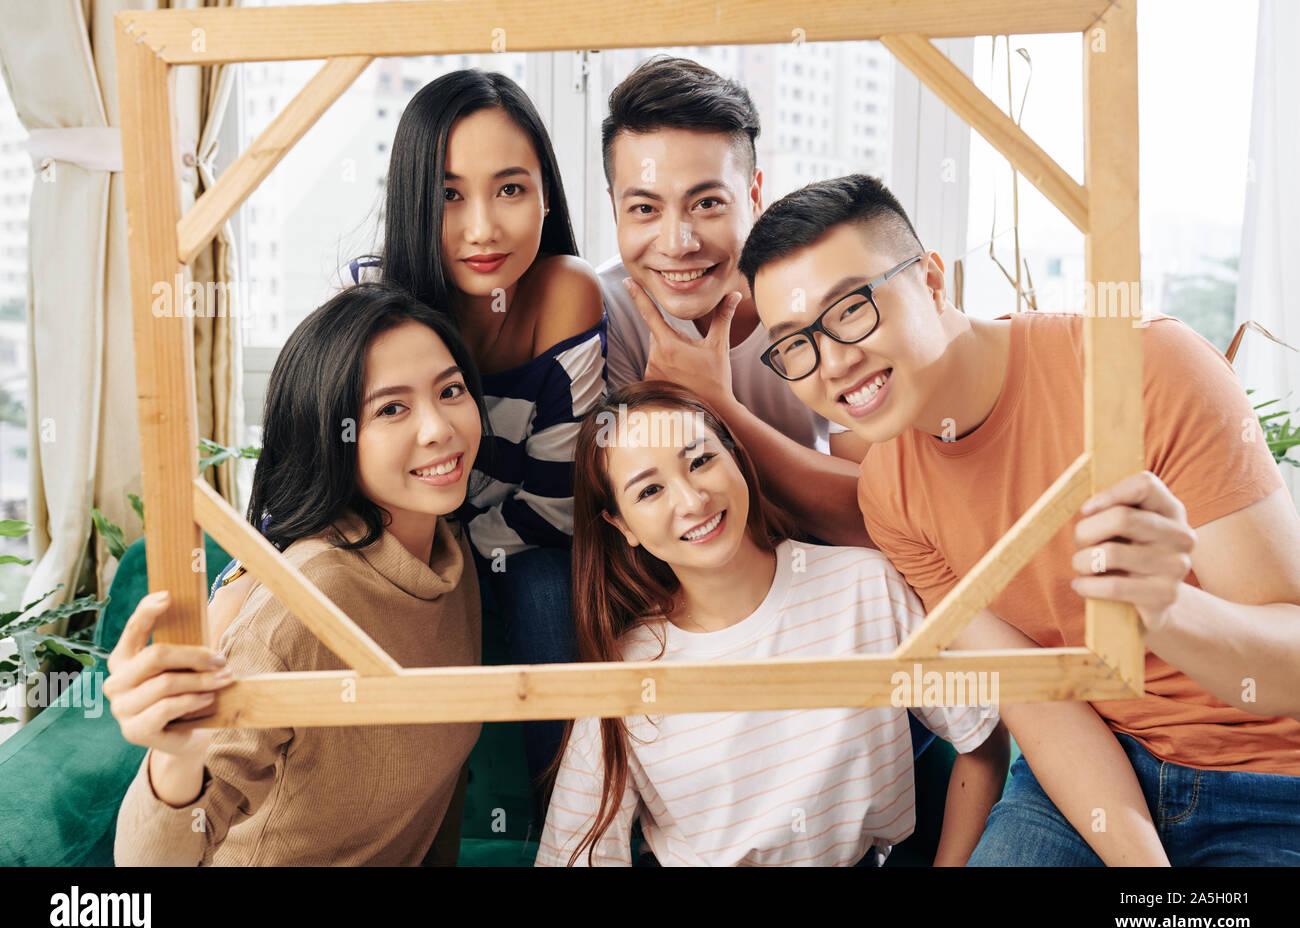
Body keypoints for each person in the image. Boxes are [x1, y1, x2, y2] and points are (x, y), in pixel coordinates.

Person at [740, 172, 1300, 865]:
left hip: (1269, 781)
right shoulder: (891, 493)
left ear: (934, 281)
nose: (833, 362)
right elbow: (1039, 701)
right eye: (795, 343)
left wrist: (1167, 609)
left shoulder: (1144, 367)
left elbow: (1292, 669)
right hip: (1086, 777)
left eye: (851, 308)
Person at [536, 382, 1168, 867]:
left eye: (700, 461)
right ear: (620, 527)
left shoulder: (864, 585)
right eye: (648, 491)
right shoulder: (625, 667)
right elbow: (576, 851)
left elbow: (982, 742)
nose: (692, 500)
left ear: (734, 456)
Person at [211, 70, 606, 809]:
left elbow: (557, 509)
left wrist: (451, 534)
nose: (481, 227)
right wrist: (247, 578)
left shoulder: (566, 294)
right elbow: (312, 473)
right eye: (449, 195)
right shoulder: (375, 309)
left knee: (551, 580)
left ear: (547, 195)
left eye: (510, 189)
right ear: (412, 202)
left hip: (518, 549)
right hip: (401, 544)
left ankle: (573, 826)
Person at [109, 284, 488, 865]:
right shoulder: (309, 597)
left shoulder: (451, 554)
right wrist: (175, 758)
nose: (439, 428)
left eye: (451, 390)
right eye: (391, 408)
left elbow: (435, 798)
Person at [595, 56, 871, 548]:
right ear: (614, 207)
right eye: (644, 209)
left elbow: (881, 516)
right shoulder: (602, 311)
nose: (678, 243)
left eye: (707, 203)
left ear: (754, 194)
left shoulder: (814, 295)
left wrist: (720, 407)